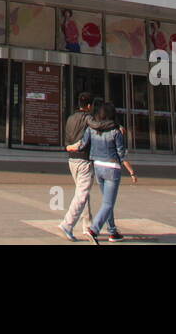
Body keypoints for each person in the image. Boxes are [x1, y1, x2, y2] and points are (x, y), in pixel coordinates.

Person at [66, 99, 137, 243]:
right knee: (108, 203)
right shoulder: (116, 131)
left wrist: (71, 147)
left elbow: (83, 144)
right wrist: (132, 172)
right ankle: (94, 230)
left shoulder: (92, 129)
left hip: (97, 166)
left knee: (106, 201)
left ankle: (112, 231)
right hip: (112, 168)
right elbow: (121, 154)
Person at [57, 91, 95, 242]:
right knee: (82, 194)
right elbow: (96, 126)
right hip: (84, 159)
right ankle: (67, 224)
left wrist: (69, 147)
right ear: (89, 106)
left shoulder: (70, 118)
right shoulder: (88, 118)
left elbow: (66, 139)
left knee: (83, 193)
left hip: (72, 159)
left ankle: (87, 225)